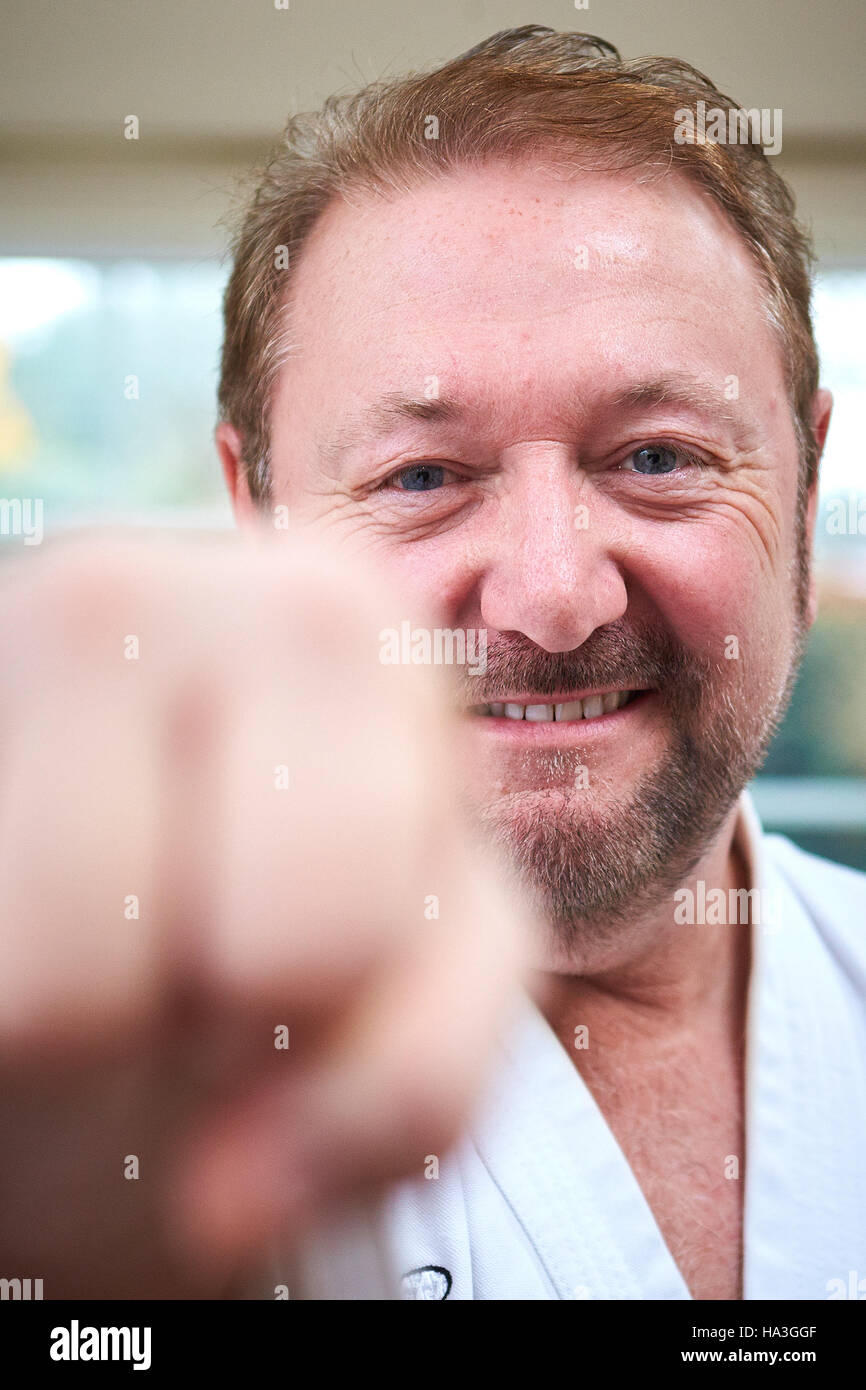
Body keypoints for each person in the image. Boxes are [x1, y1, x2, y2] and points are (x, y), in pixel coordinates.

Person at [1, 26, 863, 1302]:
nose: (555, 597)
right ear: (258, 511)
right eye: (421, 477)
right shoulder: (125, 1092)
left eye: (657, 457)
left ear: (799, 491)